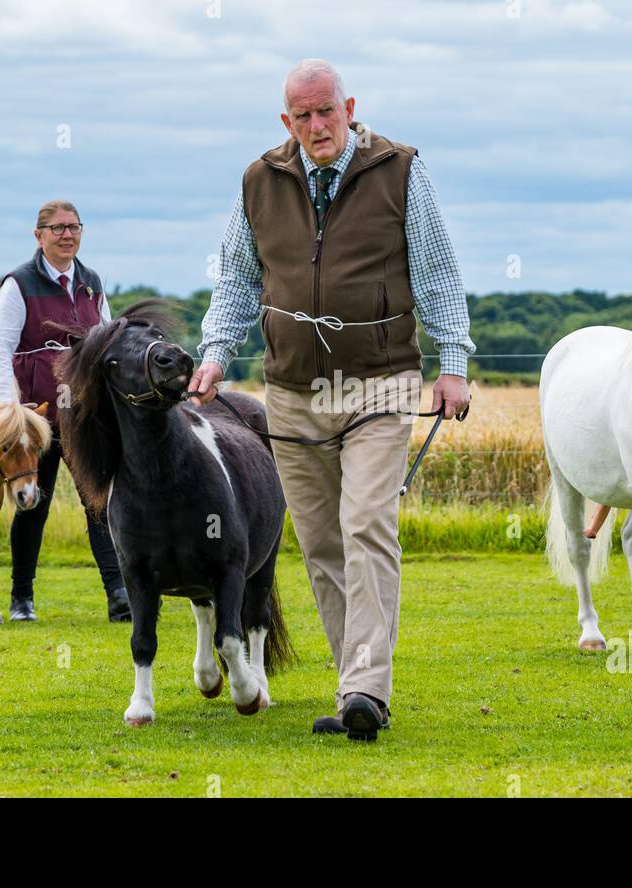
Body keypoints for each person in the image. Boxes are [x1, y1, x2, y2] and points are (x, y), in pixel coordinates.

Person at [189, 59, 475, 739]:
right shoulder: (260, 180)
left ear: (349, 107)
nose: (317, 126)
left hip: (379, 381)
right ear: (286, 121)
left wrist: (454, 362)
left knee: (366, 523)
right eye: (302, 116)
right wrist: (215, 353)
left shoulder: (401, 170)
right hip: (292, 391)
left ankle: (367, 691)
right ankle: (356, 682)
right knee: (320, 541)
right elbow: (235, 278)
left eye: (327, 112)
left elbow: (437, 272)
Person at [0, 199, 131, 623]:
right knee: (33, 506)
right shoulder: (19, 284)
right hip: (38, 420)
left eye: (74, 227)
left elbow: (106, 344)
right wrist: (12, 414)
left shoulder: (92, 282)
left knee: (99, 503)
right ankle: (21, 598)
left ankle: (119, 595)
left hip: (84, 416)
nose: (67, 235)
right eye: (57, 228)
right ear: (39, 235)